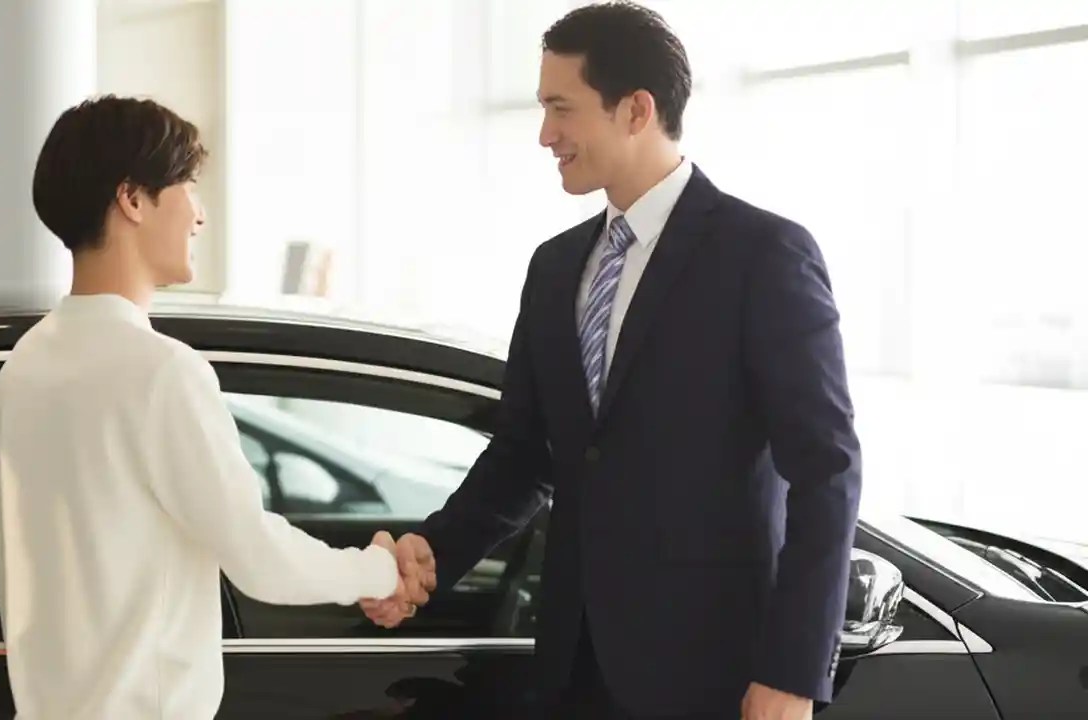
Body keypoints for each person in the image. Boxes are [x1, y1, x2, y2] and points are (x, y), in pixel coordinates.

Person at [362, 3, 861, 719]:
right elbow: (523, 457)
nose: (545, 134)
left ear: (636, 110)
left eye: (561, 108)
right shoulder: (556, 267)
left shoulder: (762, 256)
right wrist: (429, 555)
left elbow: (828, 469)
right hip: (572, 667)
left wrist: (792, 670)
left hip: (717, 674)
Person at [0, 95, 428, 719]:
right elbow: (258, 558)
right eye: (187, 186)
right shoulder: (160, 371)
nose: (198, 215)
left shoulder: (26, 365)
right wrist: (381, 572)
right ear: (132, 199)